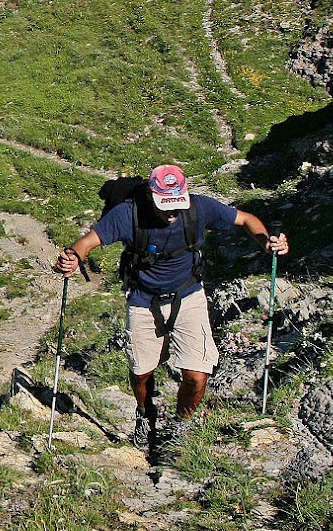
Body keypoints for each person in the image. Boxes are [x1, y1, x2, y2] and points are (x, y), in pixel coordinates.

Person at [52, 164, 288, 452]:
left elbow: (246, 219)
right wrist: (74, 257)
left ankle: (181, 424)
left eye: (177, 204)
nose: (173, 212)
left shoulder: (199, 207)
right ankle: (145, 414)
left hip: (189, 296)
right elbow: (88, 241)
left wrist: (266, 243)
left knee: (197, 375)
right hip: (143, 299)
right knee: (141, 372)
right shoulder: (128, 214)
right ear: (151, 197)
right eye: (166, 205)